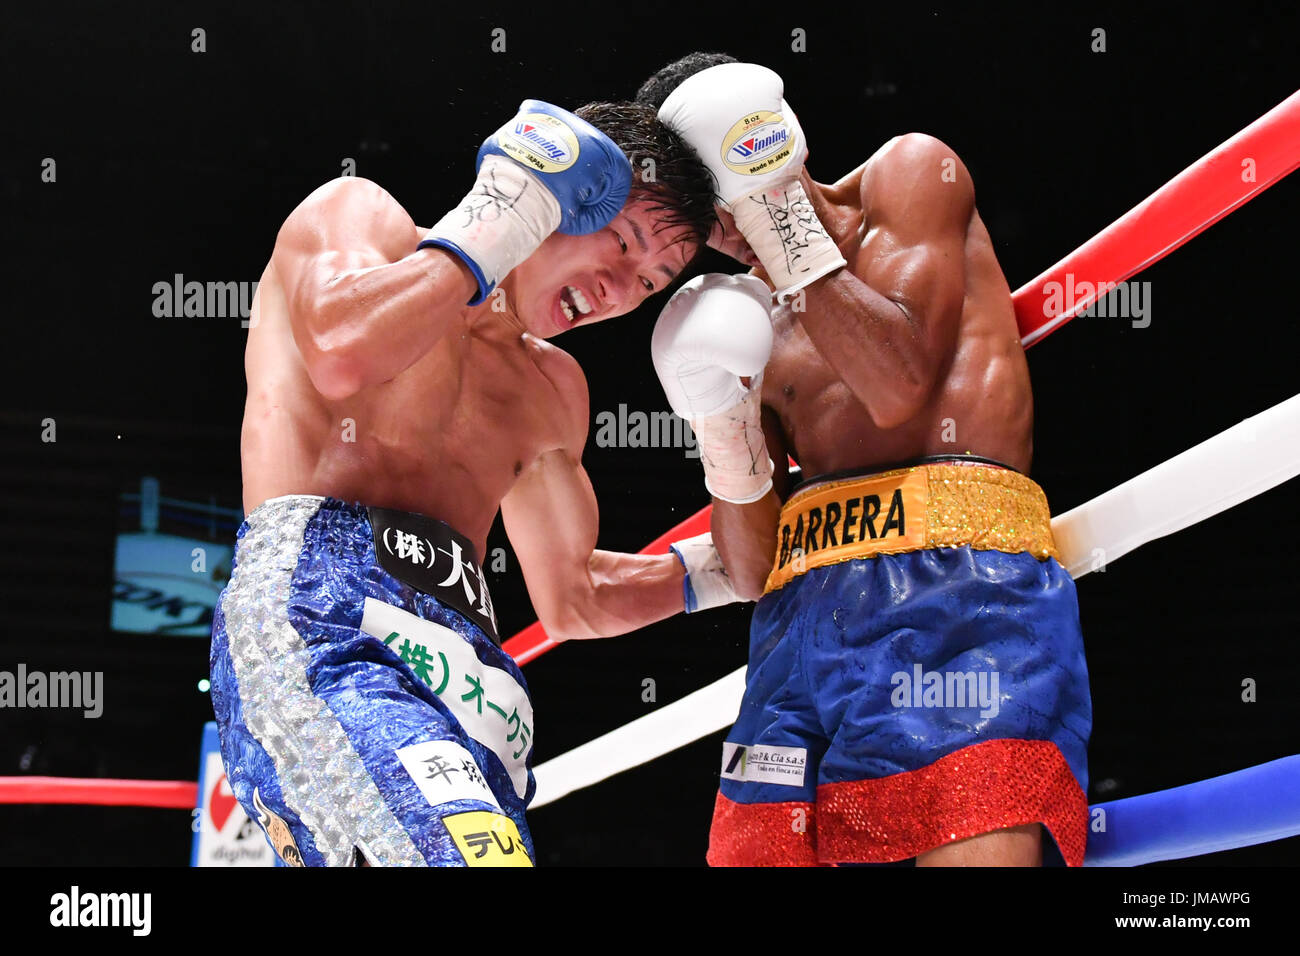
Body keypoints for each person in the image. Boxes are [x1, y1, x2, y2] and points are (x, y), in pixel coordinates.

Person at [210, 98, 737, 867]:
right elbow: (340, 348)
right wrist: (498, 220)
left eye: (651, 282)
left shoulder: (552, 391)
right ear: (563, 190)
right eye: (623, 242)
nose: (623, 287)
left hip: (474, 688)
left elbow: (576, 595)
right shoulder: (363, 222)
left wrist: (734, 566)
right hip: (327, 621)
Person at [642, 56, 1092, 866]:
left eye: (720, 186)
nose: (723, 226)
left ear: (768, 140)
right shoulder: (747, 323)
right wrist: (723, 420)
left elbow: (898, 386)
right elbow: (750, 573)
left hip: (965, 602)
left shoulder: (910, 174)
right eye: (701, 217)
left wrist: (778, 212)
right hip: (797, 635)